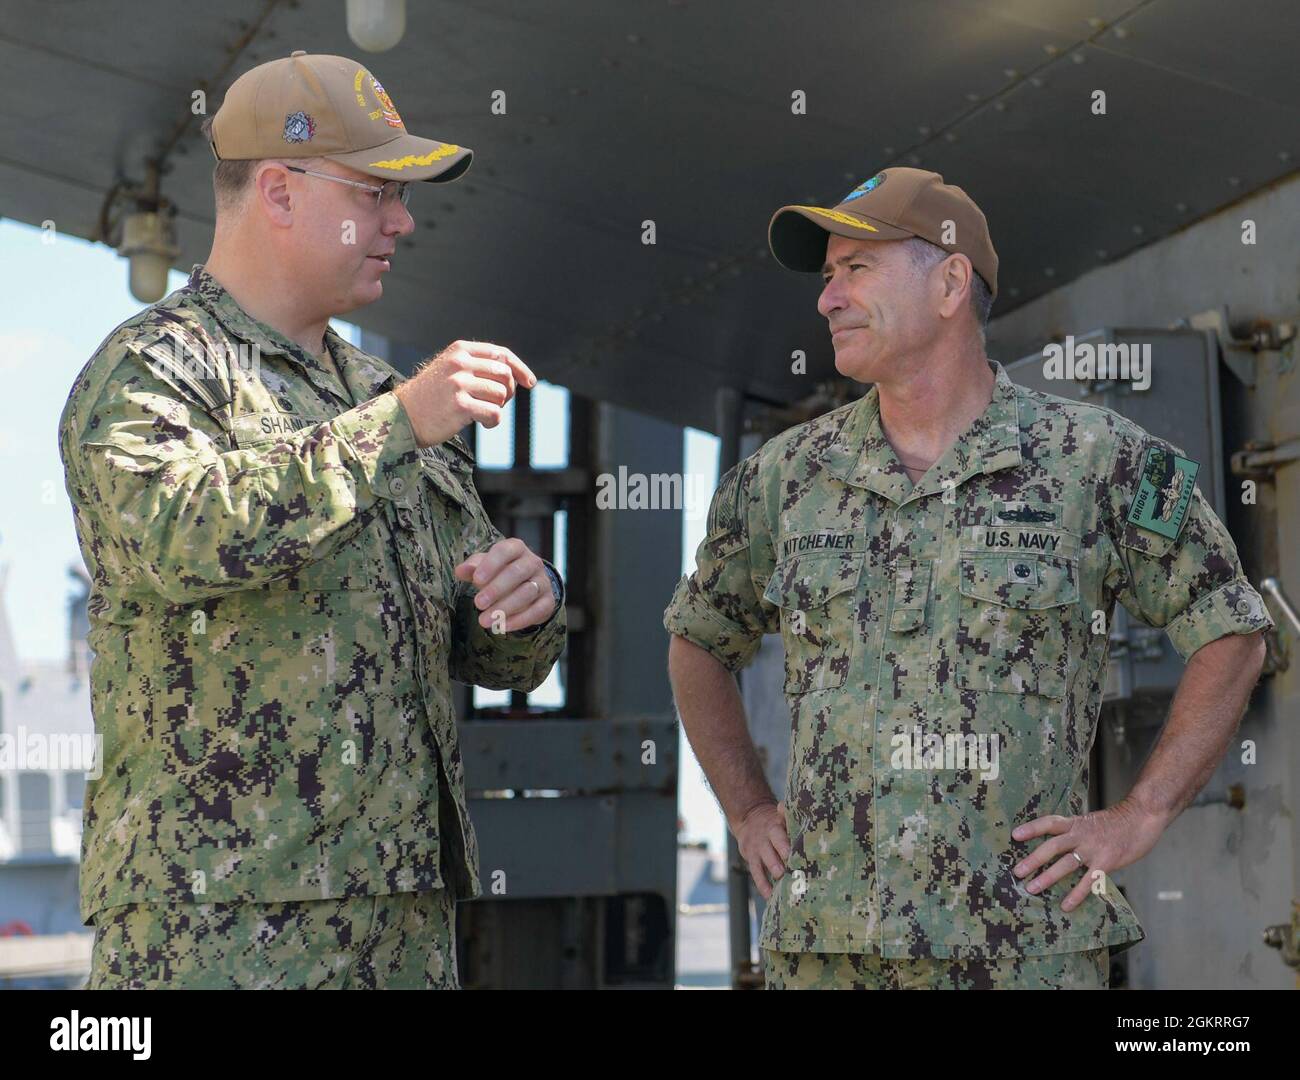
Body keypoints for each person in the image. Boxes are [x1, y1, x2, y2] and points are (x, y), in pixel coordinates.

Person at [662, 166, 1273, 990]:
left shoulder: (1099, 462)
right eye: (827, 276)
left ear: (951, 282)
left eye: (857, 269)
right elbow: (698, 639)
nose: (827, 299)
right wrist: (746, 809)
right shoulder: (781, 479)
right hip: (826, 953)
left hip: (1024, 953)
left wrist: (1141, 814)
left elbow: (1229, 627)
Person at [58, 50, 566, 989]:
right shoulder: (153, 371)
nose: (402, 221)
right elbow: (186, 538)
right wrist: (400, 426)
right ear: (282, 193)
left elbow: (483, 654)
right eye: (375, 192)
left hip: (403, 924)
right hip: (217, 928)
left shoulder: (388, 396)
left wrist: (526, 608)